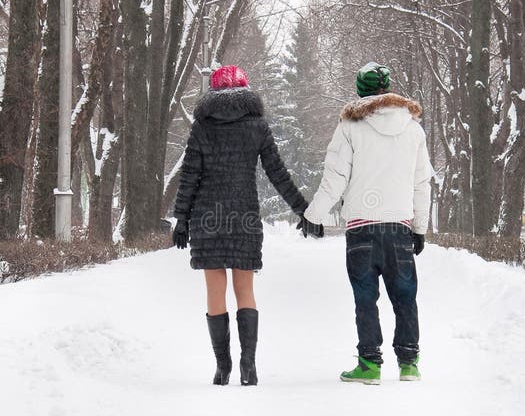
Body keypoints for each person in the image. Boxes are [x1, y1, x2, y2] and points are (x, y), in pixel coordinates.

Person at [172, 65, 309, 386]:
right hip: (244, 215)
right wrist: (301, 209)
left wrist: (181, 219)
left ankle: (223, 367)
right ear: (246, 92)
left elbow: (189, 176)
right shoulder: (257, 127)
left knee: (214, 290)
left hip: (207, 216)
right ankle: (249, 366)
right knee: (245, 290)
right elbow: (277, 172)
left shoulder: (202, 127)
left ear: (214, 93)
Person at [302, 62, 431, 384]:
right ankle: (409, 363)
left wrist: (312, 216)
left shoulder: (350, 127)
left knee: (365, 297)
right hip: (400, 226)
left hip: (362, 228)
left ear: (360, 90)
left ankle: (370, 364)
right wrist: (420, 228)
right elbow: (421, 183)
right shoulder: (413, 129)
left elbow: (335, 178)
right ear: (388, 89)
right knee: (405, 296)